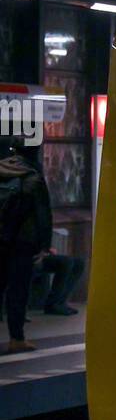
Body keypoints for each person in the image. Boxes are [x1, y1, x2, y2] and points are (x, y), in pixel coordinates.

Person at [0, 140, 53, 354]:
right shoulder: (32, 178)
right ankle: (16, 339)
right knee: (17, 291)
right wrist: (45, 245)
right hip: (22, 243)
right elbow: (43, 215)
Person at [33, 249, 84, 316]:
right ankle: (52, 304)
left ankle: (61, 302)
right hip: (30, 256)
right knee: (66, 262)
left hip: (41, 254)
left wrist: (47, 249)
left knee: (79, 263)